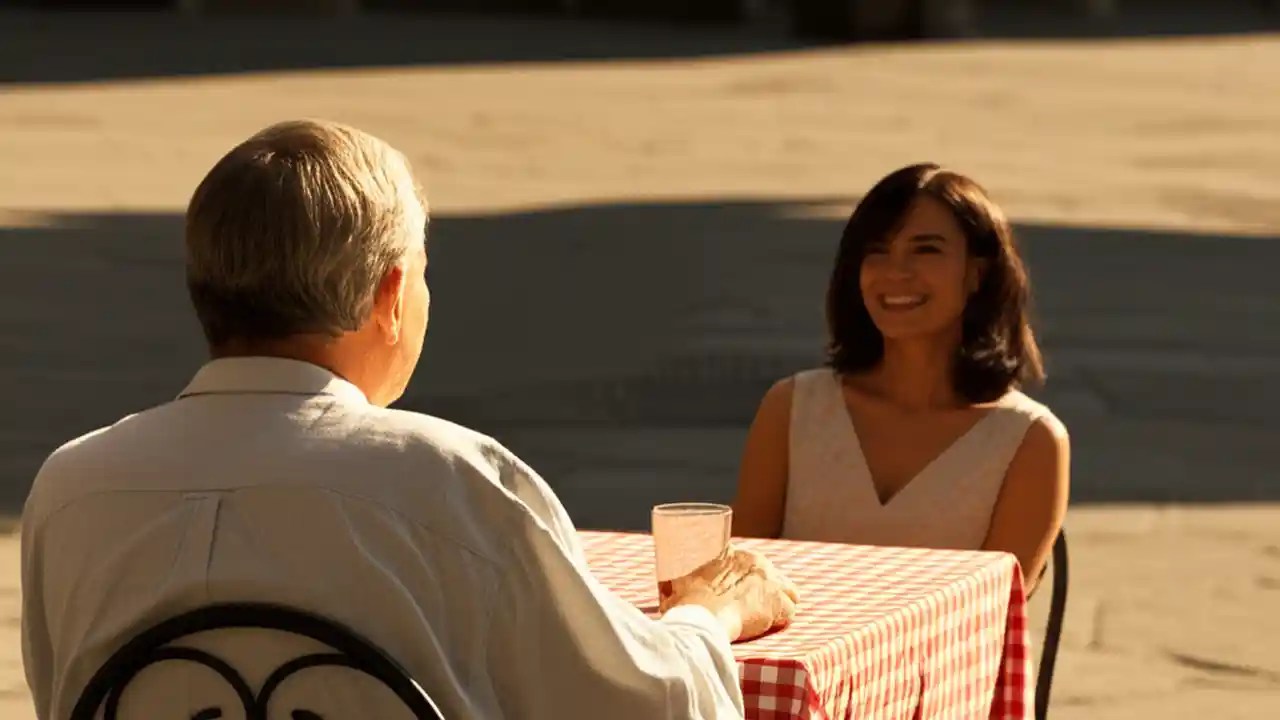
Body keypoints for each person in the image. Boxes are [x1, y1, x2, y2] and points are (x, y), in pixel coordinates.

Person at [21, 119, 797, 720]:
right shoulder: (448, 478)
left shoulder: (72, 484)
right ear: (390, 295)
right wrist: (708, 614)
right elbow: (650, 705)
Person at [731, 162, 1069, 593]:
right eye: (877, 251)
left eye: (925, 250)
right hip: (791, 659)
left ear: (977, 274)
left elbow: (993, 620)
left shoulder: (1031, 440)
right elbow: (735, 586)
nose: (897, 272)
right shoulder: (793, 407)